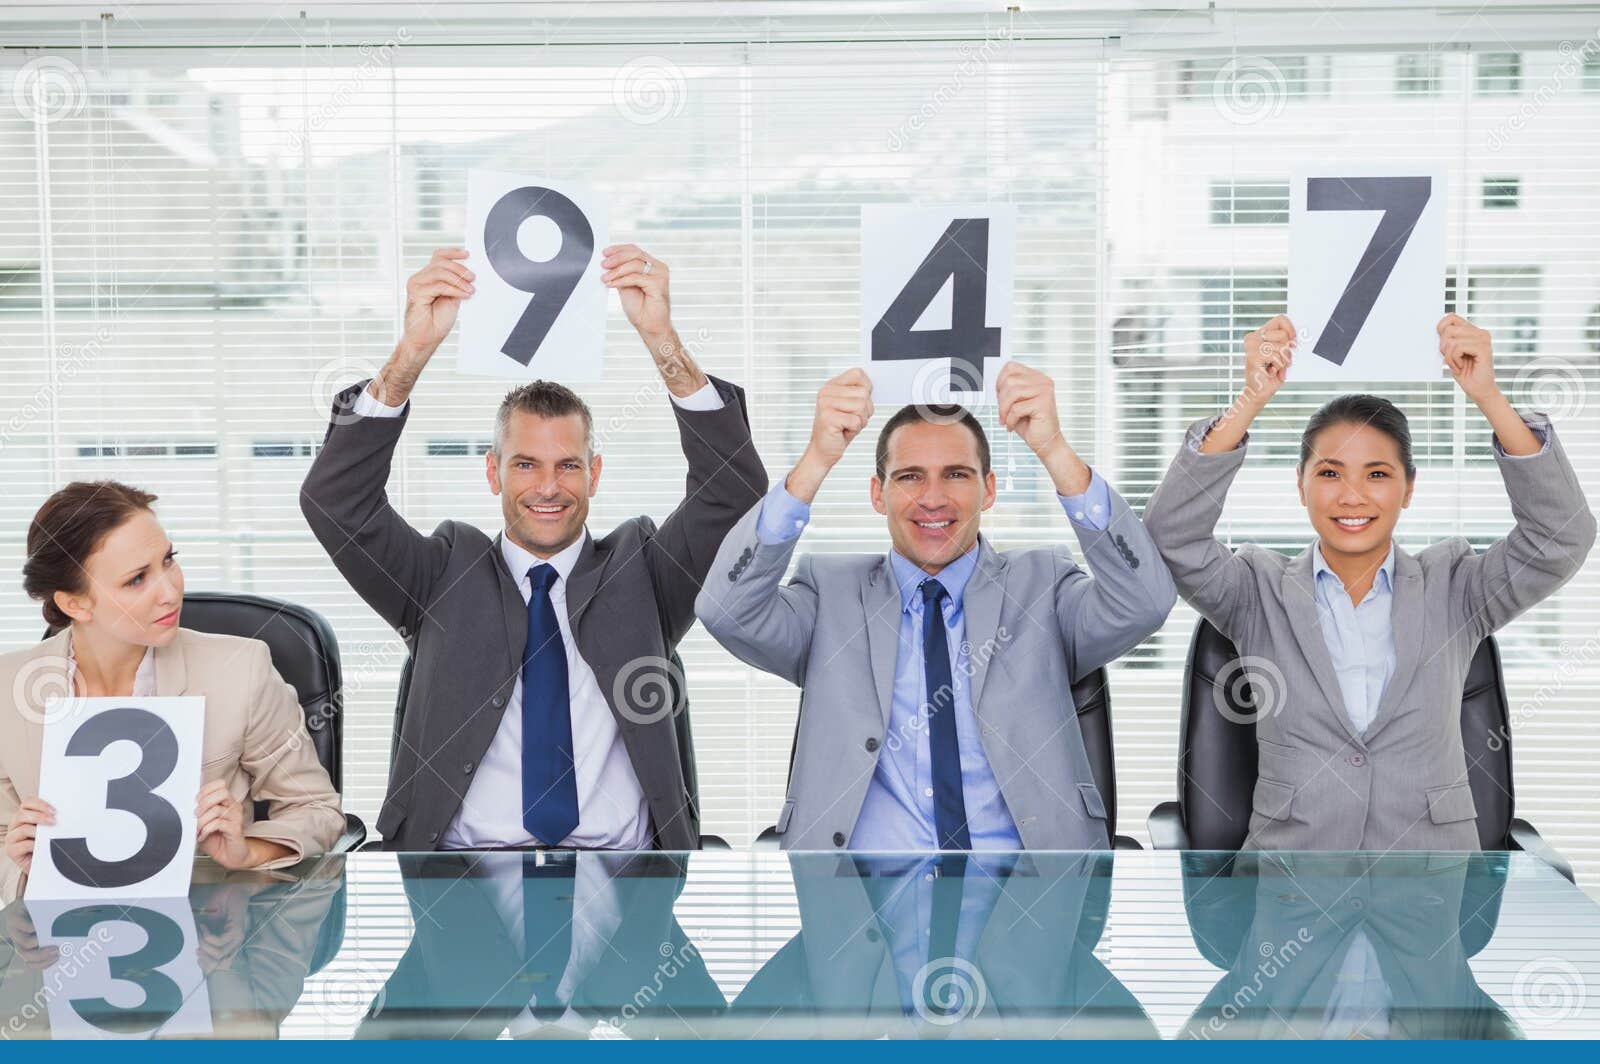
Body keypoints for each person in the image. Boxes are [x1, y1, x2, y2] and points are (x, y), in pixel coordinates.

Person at [300, 246, 767, 851]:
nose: (548, 487)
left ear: (594, 474)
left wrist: (663, 341)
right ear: (493, 472)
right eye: (526, 464)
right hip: (462, 887)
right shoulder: (441, 574)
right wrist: (410, 355)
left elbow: (732, 491)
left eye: (567, 465)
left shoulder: (643, 572)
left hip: (625, 884)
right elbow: (336, 501)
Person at [1143, 313, 1595, 851]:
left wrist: (1489, 397)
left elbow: (1561, 537)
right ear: (1301, 485)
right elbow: (1171, 539)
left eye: (1377, 474)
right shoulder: (1255, 592)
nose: (1352, 496)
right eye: (1330, 474)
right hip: (1291, 897)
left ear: (1408, 488)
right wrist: (1250, 400)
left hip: (1426, 897)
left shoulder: (1456, 588)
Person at [696, 361, 1175, 850]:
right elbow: (724, 609)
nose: (932, 499)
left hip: (1029, 893)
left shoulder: (1042, 585)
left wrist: (1053, 450)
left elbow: (1145, 601)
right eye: (909, 477)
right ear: (877, 494)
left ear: (988, 490)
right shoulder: (829, 595)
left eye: (956, 474)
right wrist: (815, 462)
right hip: (859, 897)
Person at [1, 481, 344, 903]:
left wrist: (247, 852)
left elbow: (317, 810)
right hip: (64, 942)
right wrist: (22, 865)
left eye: (168, 561)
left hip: (208, 932)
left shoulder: (241, 670)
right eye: (137, 579)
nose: (170, 590)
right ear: (75, 604)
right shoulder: (9, 691)